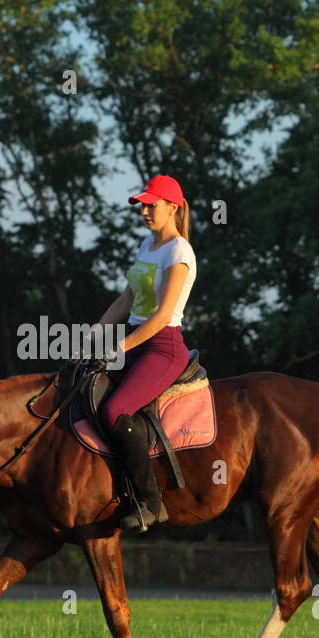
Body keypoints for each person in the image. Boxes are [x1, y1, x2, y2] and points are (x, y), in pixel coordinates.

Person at [93, 174, 197, 531]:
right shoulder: (146, 245)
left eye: (152, 205)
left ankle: (151, 503)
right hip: (137, 341)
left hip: (163, 347)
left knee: (115, 410)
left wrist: (119, 347)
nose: (145, 212)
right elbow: (126, 299)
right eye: (143, 205)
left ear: (173, 207)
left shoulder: (179, 251)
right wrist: (95, 333)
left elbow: (162, 316)